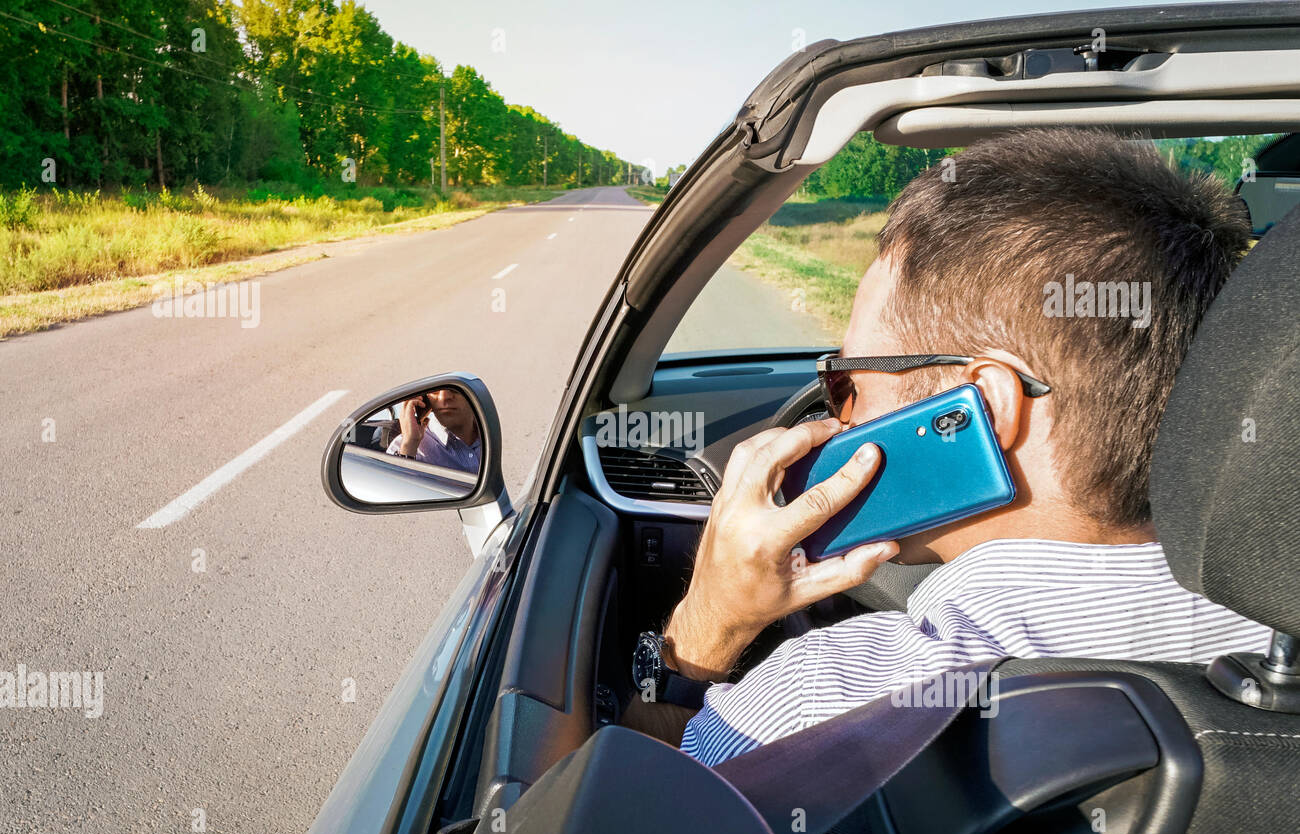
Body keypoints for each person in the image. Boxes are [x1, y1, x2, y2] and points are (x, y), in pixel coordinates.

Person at [629, 128, 1272, 766]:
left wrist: (706, 623)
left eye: (846, 384)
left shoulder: (814, 705)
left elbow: (612, 822)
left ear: (983, 409)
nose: (836, 415)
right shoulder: (1270, 632)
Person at [386, 388, 481, 474]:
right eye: (435, 390)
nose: (443, 397)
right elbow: (394, 490)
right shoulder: (402, 445)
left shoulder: (493, 436)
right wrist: (409, 446)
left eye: (455, 389)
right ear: (424, 399)